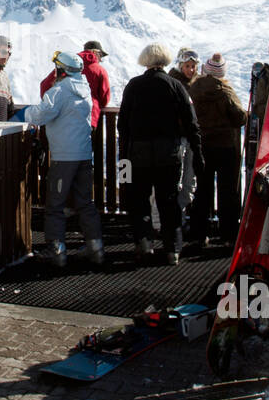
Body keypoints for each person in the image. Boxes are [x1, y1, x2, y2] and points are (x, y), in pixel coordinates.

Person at [11, 51, 103, 268]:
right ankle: (95, 247)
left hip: (63, 157)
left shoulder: (60, 90)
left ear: (61, 70)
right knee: (85, 203)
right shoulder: (85, 90)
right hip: (83, 155)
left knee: (55, 204)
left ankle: (57, 251)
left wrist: (22, 115)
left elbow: (43, 113)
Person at [118, 43, 203, 266]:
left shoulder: (133, 86)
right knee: (169, 202)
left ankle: (144, 243)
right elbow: (191, 122)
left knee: (139, 201)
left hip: (138, 154)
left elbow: (123, 125)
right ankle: (172, 249)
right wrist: (198, 152)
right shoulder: (175, 86)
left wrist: (122, 162)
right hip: (169, 154)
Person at [188, 52, 247, 245]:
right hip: (225, 146)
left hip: (202, 145)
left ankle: (199, 232)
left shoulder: (194, 89)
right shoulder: (225, 91)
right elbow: (239, 117)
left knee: (202, 190)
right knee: (227, 191)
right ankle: (228, 234)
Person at [38, 40, 110, 129]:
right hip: (87, 118)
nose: (100, 59)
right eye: (101, 56)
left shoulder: (65, 65)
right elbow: (104, 99)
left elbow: (45, 87)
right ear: (95, 52)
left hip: (62, 117)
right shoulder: (100, 70)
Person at [167, 48, 200, 214]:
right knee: (175, 178)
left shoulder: (198, 83)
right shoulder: (173, 82)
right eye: (187, 66)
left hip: (192, 137)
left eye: (193, 66)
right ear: (181, 66)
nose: (191, 70)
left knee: (189, 179)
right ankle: (173, 217)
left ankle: (181, 213)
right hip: (178, 138)